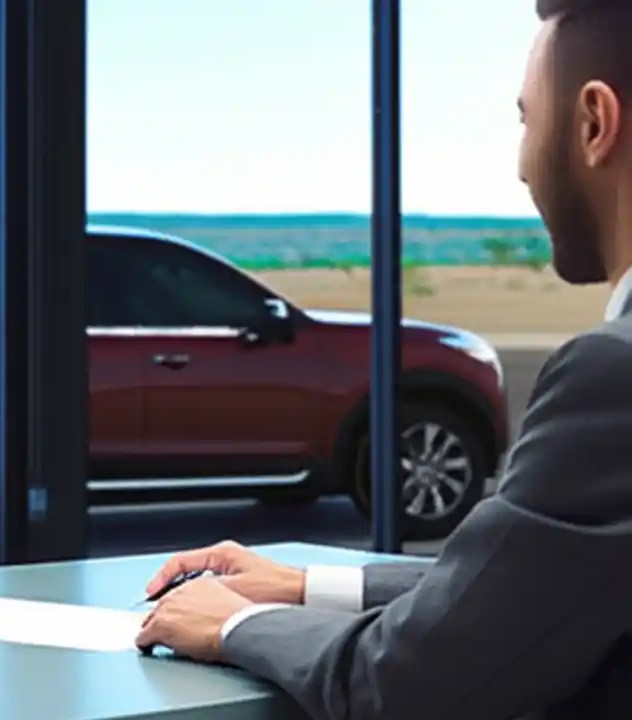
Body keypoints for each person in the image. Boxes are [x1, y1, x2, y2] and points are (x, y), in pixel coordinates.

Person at [134, 2, 632, 718]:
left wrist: (234, 624)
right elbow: (535, 584)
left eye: (526, 121)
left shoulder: (609, 377)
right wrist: (304, 586)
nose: (522, 167)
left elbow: (408, 682)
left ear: (592, 124)